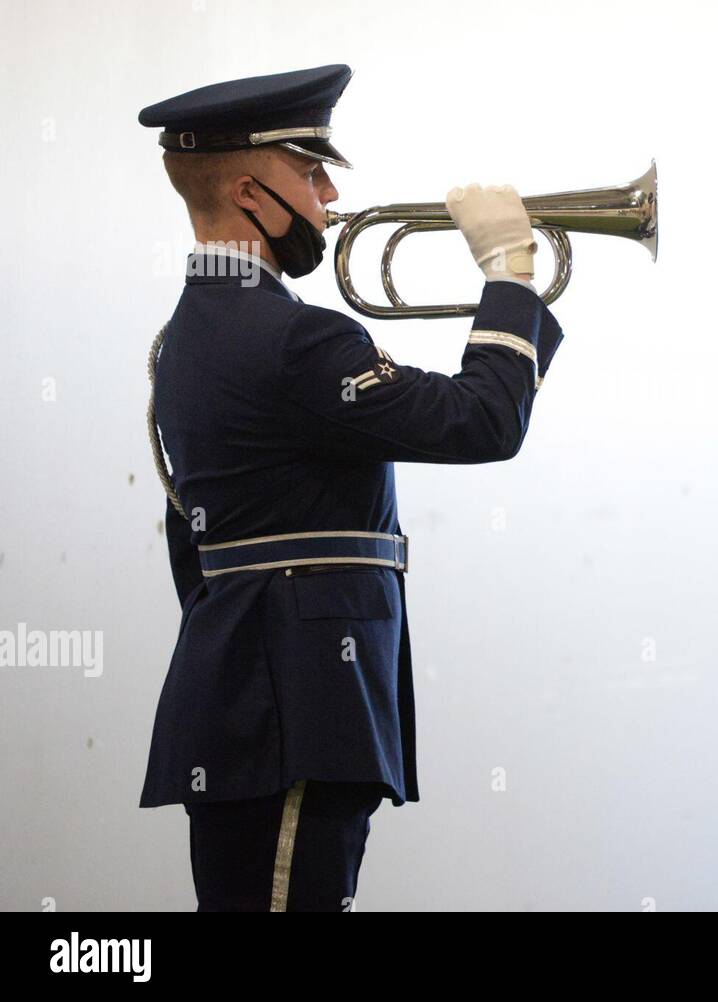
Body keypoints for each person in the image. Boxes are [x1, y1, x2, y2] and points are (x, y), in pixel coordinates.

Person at [137, 63, 563, 910]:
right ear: (252, 192)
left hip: (258, 706)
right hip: (297, 712)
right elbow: (484, 423)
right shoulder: (295, 341)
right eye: (312, 172)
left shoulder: (185, 336)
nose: (331, 197)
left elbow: (194, 546)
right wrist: (510, 276)